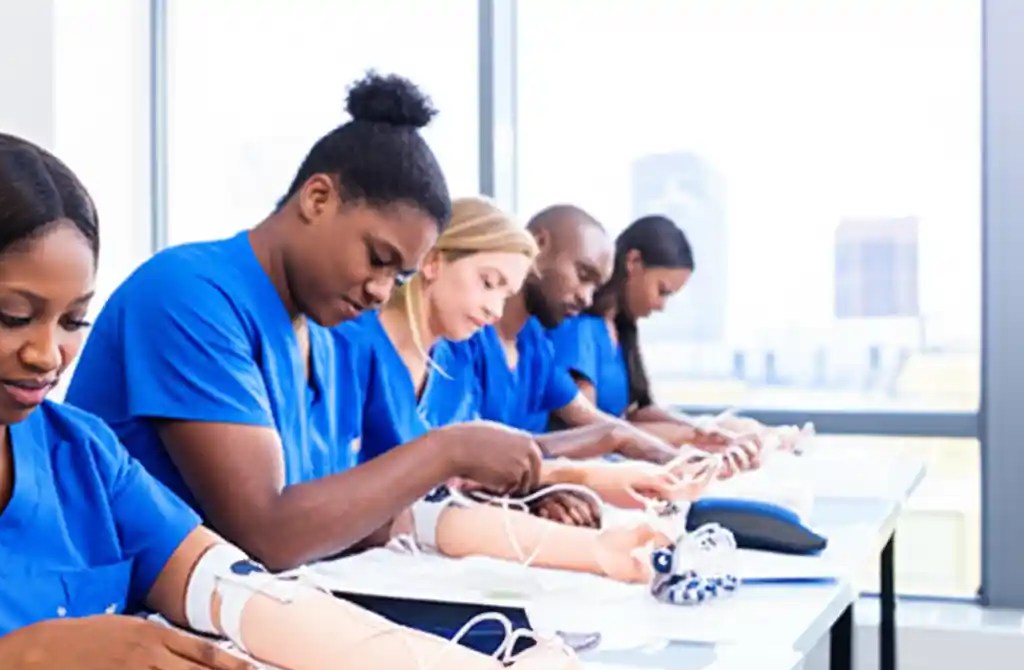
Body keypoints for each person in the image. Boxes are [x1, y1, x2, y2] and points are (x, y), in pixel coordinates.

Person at [0, 133, 583, 670]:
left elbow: (244, 592)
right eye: (13, 316)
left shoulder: (80, 454)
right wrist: (33, 655)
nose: (49, 355)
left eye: (74, 320)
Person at [66, 72, 542, 574]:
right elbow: (267, 533)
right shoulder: (190, 295)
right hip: (127, 618)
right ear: (318, 199)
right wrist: (451, 449)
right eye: (378, 258)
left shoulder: (331, 337)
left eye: (399, 276)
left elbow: (370, 516)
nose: (382, 290)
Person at [335, 197, 696, 528]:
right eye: (489, 283)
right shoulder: (357, 347)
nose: (494, 309)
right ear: (432, 262)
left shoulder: (456, 364)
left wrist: (530, 492)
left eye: (505, 293)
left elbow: (467, 475)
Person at [555, 215, 793, 452]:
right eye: (662, 291)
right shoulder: (582, 330)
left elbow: (636, 413)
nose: (661, 305)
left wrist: (703, 429)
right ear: (634, 262)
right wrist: (687, 436)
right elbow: (587, 428)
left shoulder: (619, 332)